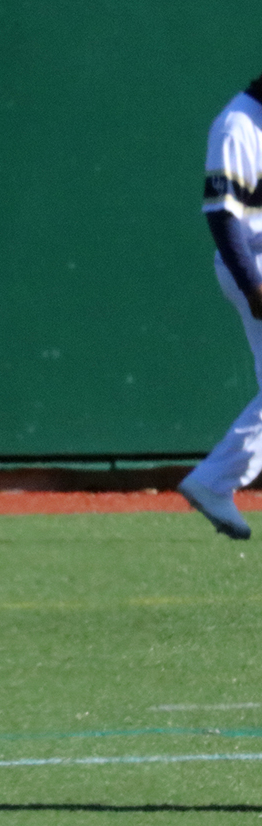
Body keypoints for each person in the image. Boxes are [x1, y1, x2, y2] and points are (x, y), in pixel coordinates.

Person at [180, 73, 262, 540]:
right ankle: (214, 480)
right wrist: (253, 286)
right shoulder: (238, 125)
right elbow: (222, 215)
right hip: (253, 263)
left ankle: (215, 480)